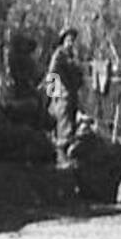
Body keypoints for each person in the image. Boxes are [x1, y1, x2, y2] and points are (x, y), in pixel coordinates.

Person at [45, 27, 84, 167]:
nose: (71, 43)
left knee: (71, 129)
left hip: (72, 96)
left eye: (73, 40)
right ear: (63, 40)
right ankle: (61, 160)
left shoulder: (71, 55)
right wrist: (53, 97)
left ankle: (68, 158)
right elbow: (52, 72)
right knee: (64, 130)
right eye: (68, 40)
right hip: (63, 97)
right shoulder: (59, 54)